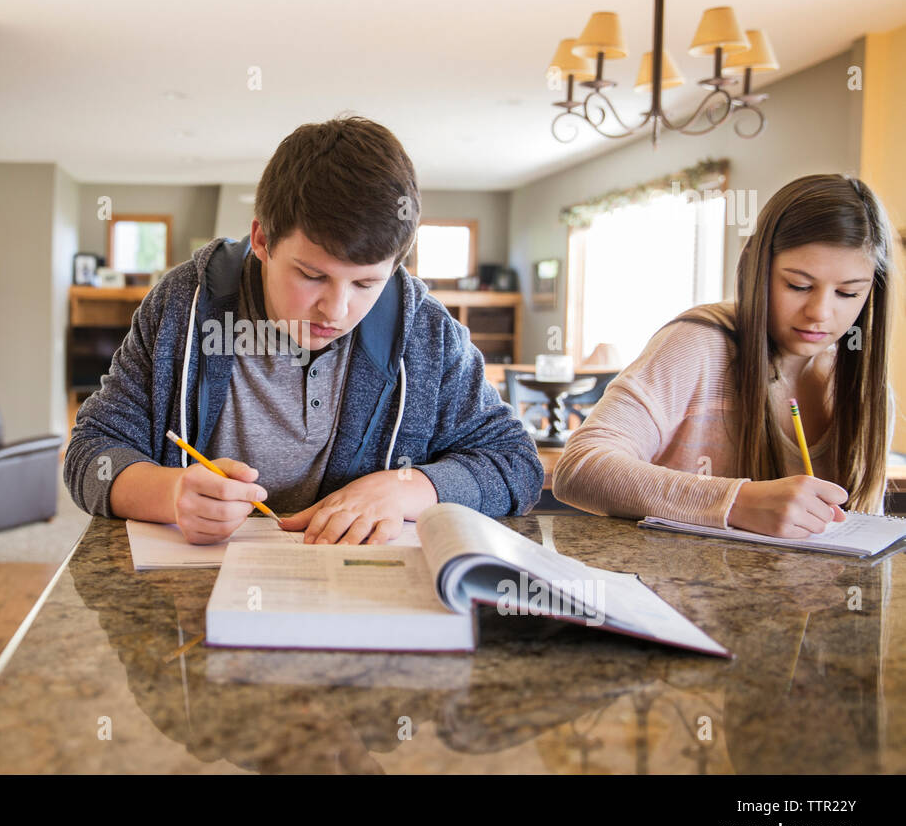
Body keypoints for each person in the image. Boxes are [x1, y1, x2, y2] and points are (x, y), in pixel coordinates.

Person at [64, 114, 543, 544]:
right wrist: (170, 493)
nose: (335, 309)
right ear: (262, 240)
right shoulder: (181, 306)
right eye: (312, 275)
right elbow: (91, 451)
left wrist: (404, 489)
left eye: (366, 283)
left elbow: (516, 464)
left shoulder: (426, 331)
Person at [553, 174, 897, 538]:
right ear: (757, 269)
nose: (820, 313)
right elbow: (580, 468)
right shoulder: (697, 344)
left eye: (848, 293)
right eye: (798, 285)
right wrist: (738, 502)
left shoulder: (866, 391)